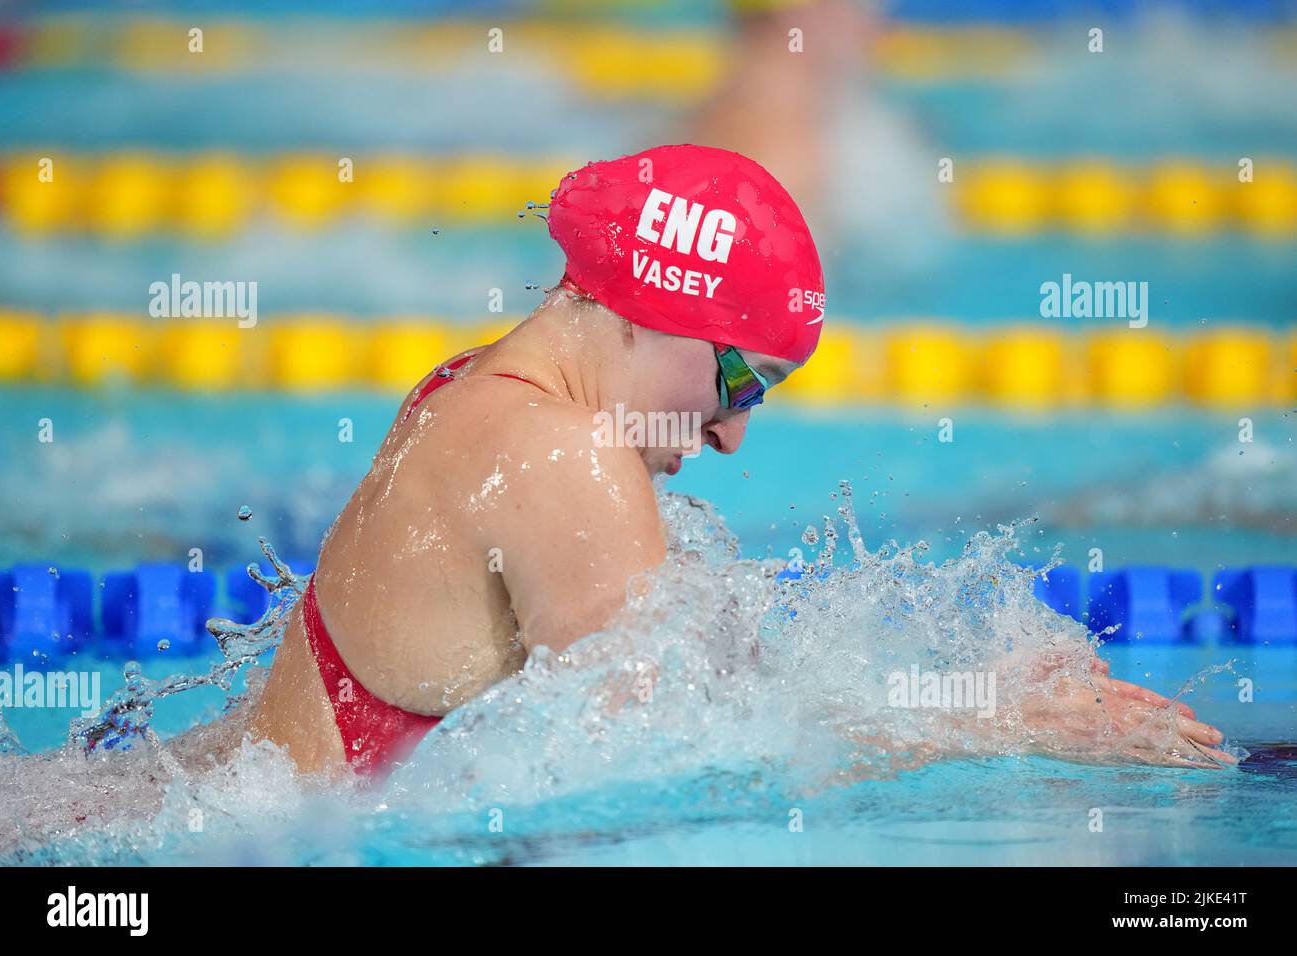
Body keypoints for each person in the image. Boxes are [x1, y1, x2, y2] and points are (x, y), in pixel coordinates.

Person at [247, 144, 1233, 779]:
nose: (732, 433)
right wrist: (1005, 723)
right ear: (665, 316)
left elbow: (698, 697)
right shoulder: (569, 455)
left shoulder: (470, 391)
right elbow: (675, 764)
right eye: (743, 382)